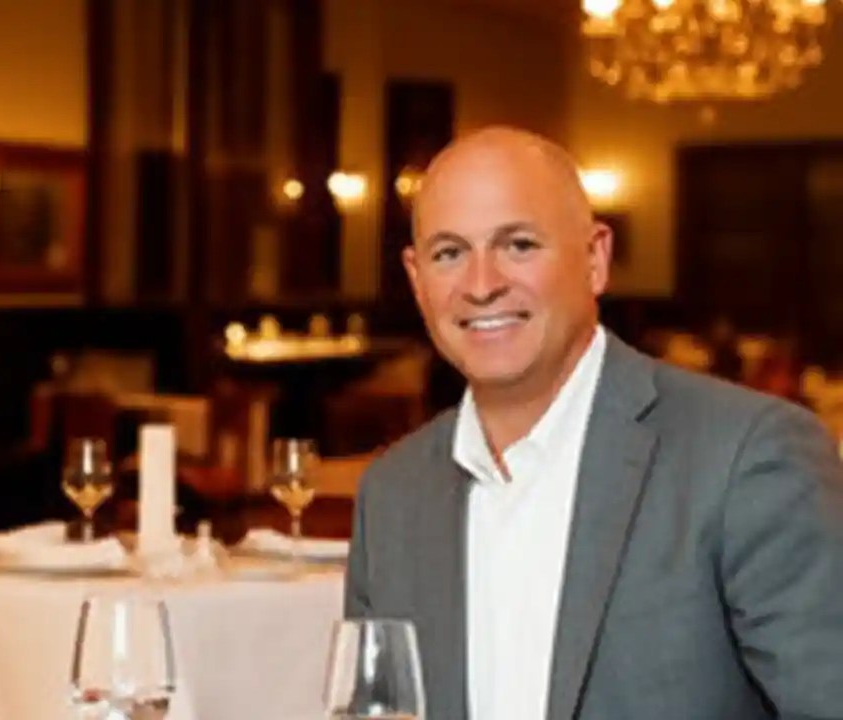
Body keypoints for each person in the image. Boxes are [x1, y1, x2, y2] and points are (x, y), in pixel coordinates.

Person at [344, 127, 843, 719]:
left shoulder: (747, 456)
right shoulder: (392, 493)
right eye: (449, 253)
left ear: (595, 258)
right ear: (415, 278)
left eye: (519, 245)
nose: (481, 285)